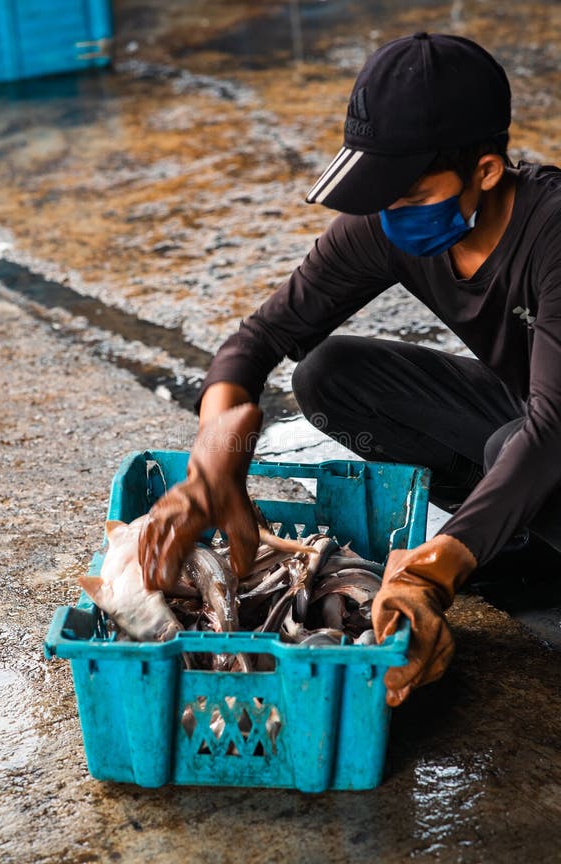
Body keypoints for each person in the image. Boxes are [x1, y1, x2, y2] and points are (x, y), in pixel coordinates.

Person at [138, 32, 561, 707]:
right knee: (329, 373)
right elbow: (260, 337)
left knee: (514, 446)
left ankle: (493, 541)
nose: (388, 210)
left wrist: (435, 567)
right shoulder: (390, 223)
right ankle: (521, 546)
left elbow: (551, 431)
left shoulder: (553, 233)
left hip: (548, 429)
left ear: (484, 170)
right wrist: (216, 451)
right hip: (531, 421)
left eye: (409, 191)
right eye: (378, 190)